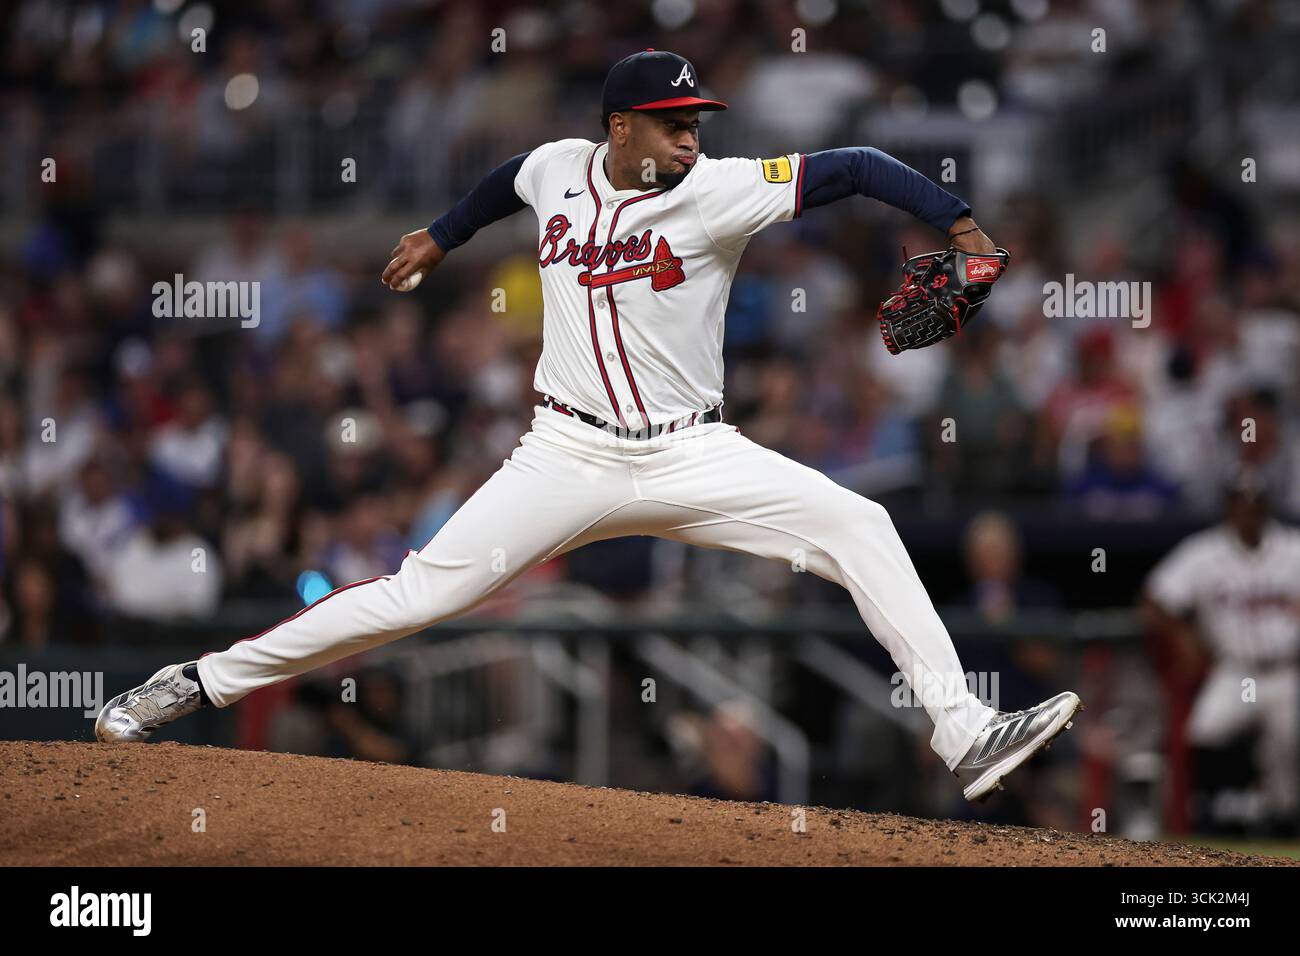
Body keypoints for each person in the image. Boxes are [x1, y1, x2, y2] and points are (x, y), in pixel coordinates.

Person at [97, 50, 1079, 802]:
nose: (691, 138)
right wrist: (441, 235)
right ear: (620, 127)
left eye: (696, 122)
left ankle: (963, 732)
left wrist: (964, 230)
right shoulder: (557, 168)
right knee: (410, 598)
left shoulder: (721, 191)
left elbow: (858, 163)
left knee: (860, 524)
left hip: (695, 450)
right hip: (564, 452)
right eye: (671, 124)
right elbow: (502, 182)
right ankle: (192, 682)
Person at [1143, 471, 1300, 834]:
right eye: (1239, 504)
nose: (1247, 512)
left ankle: (1282, 825)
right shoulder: (1205, 551)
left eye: (1254, 504)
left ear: (1267, 508)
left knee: (1289, 741)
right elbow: (1153, 598)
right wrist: (1183, 633)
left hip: (1286, 672)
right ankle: (1215, 819)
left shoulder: (1293, 547)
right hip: (1235, 671)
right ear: (1229, 508)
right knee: (1204, 731)